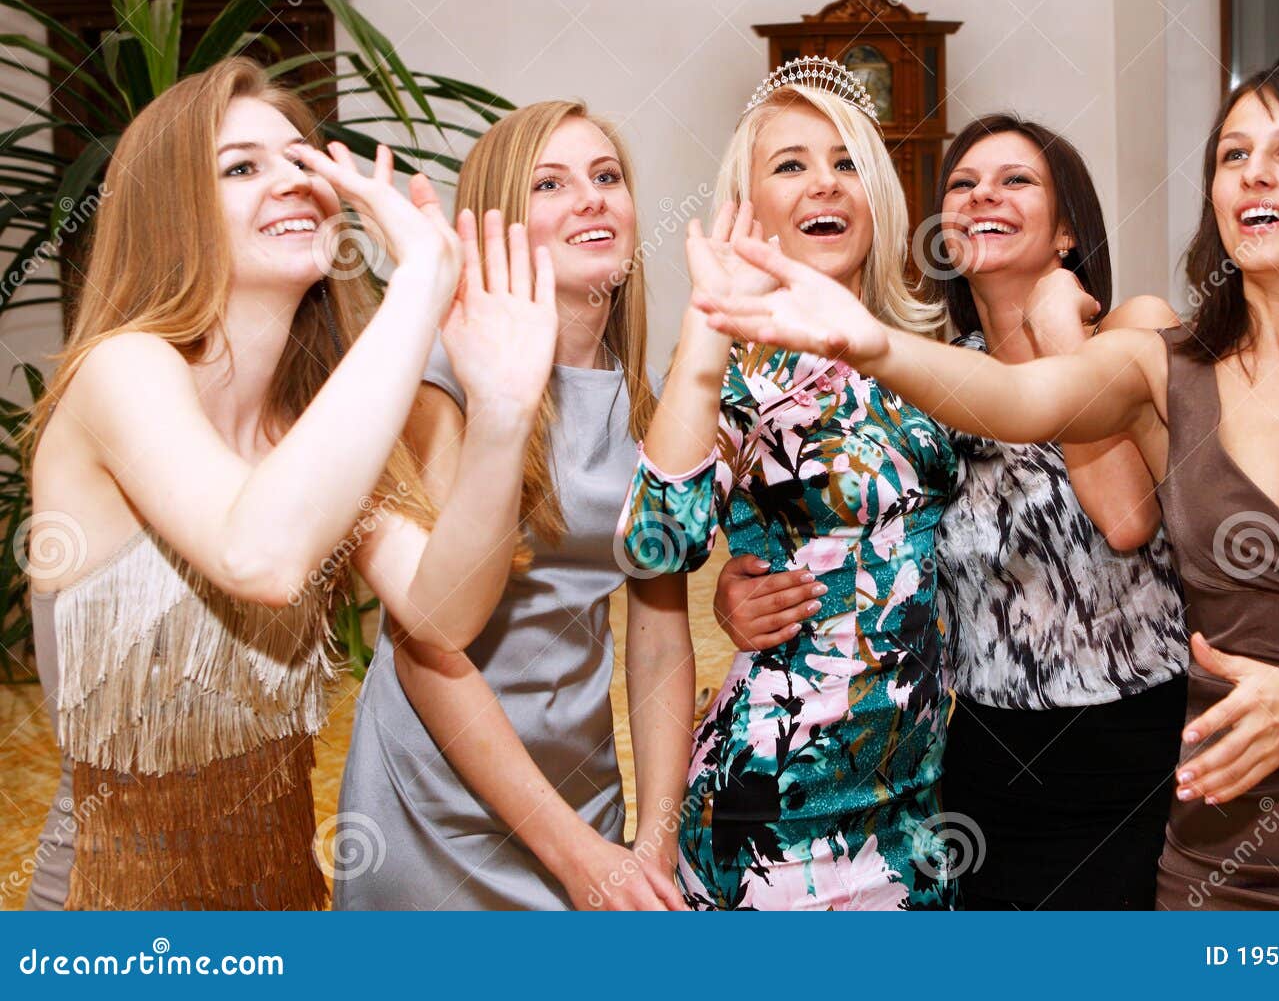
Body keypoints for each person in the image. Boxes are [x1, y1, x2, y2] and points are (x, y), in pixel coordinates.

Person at [694, 65, 1279, 910]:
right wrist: (869, 344)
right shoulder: (1164, 368)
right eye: (1232, 155)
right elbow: (1008, 410)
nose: (1254, 172)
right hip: (1215, 829)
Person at [22, 57, 557, 909]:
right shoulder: (121, 372)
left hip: (283, 906)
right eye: (242, 166)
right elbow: (259, 555)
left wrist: (500, 410)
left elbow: (442, 614)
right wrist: (419, 279)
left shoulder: (318, 423)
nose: (294, 181)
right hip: (111, 918)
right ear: (173, 213)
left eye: (303, 158)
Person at [336, 101, 694, 911]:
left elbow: (658, 629)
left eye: (607, 177)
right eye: (552, 184)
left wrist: (654, 837)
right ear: (496, 226)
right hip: (440, 802)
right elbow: (428, 648)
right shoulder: (438, 382)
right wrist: (571, 856)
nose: (593, 198)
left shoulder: (646, 402)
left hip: (582, 782)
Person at [618, 58, 957, 909]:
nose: (825, 186)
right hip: (772, 798)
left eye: (847, 164)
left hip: (916, 804)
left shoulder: (927, 356)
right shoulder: (731, 376)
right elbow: (656, 546)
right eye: (791, 165)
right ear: (750, 208)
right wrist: (708, 323)